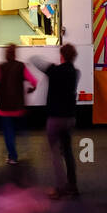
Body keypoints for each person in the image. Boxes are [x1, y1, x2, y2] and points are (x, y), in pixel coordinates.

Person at [32, 43, 80, 198]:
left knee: (55, 155)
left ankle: (60, 189)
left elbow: (35, 61)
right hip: (70, 117)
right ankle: (72, 186)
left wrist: (49, 63)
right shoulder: (74, 72)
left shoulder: (55, 71)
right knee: (67, 152)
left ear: (62, 56)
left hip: (55, 118)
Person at [0, 45, 38, 164]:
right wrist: (32, 88)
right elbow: (34, 81)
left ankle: (12, 156)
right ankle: (24, 149)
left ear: (5, 54)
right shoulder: (21, 66)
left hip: (3, 108)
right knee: (20, 128)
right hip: (18, 107)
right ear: (15, 54)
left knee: (8, 132)